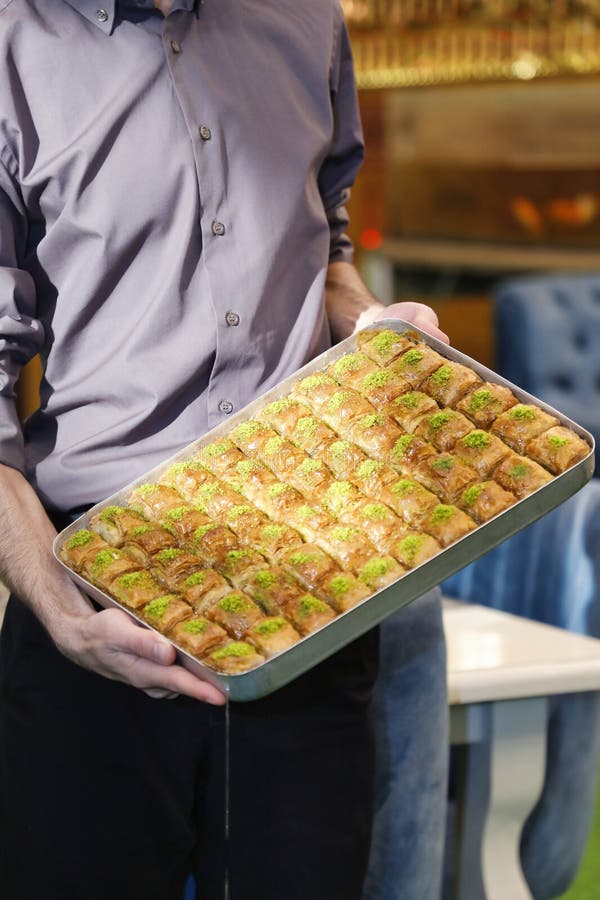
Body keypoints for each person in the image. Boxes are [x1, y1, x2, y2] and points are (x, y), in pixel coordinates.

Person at [0, 2, 449, 899]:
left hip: (313, 588)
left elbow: (324, 249)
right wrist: (58, 612)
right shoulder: (12, 40)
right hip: (94, 593)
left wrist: (374, 325)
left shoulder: (307, 21)